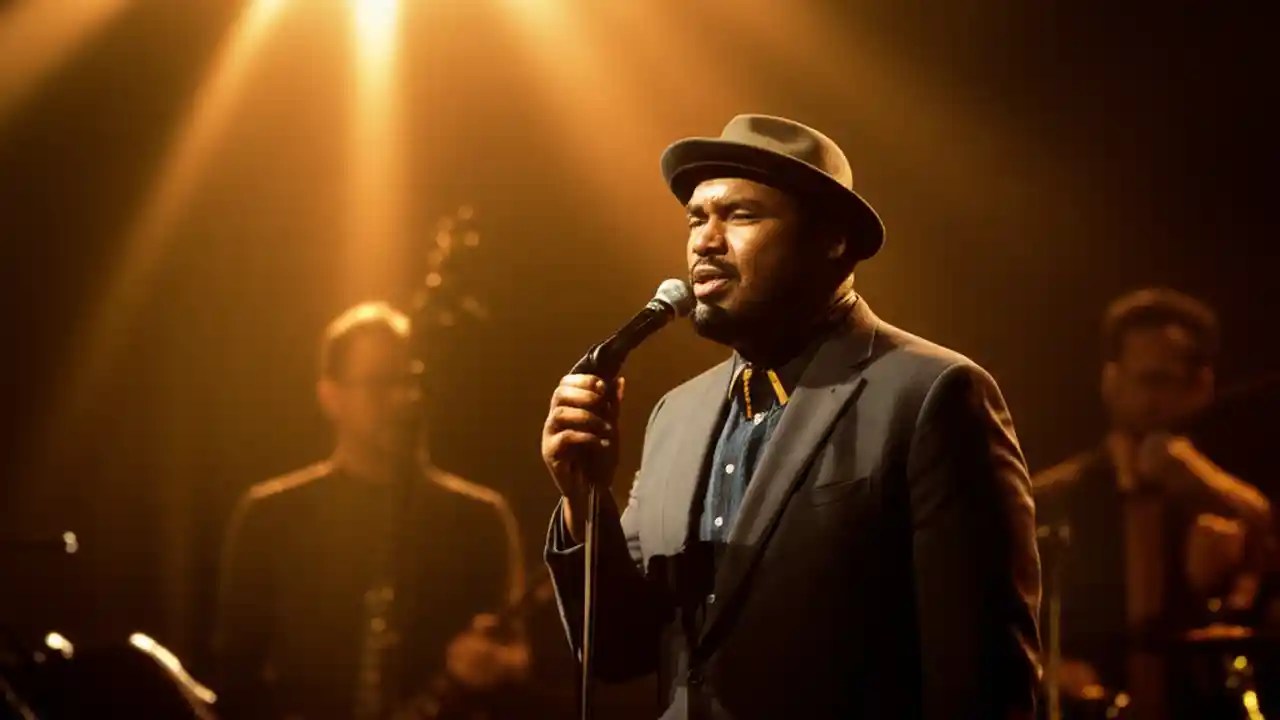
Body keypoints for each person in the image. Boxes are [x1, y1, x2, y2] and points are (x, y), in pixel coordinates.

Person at [539, 114, 1042, 719]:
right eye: (696, 218)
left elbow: (984, 681)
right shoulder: (676, 414)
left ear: (832, 239)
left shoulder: (932, 394)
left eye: (741, 215)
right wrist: (584, 500)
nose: (705, 241)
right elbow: (618, 651)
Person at [214, 302, 530, 720]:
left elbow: (517, 661)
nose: (403, 399)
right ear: (331, 396)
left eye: (410, 380)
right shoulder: (270, 517)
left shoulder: (480, 519)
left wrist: (499, 663)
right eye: (380, 383)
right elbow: (235, 680)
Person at [1033, 288, 1272, 719]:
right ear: (1110, 380)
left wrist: (1200, 481)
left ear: (1200, 386)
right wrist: (1056, 673)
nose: (1150, 399)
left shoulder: (1225, 493)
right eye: (1140, 379)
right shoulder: (1053, 498)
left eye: (1165, 381)